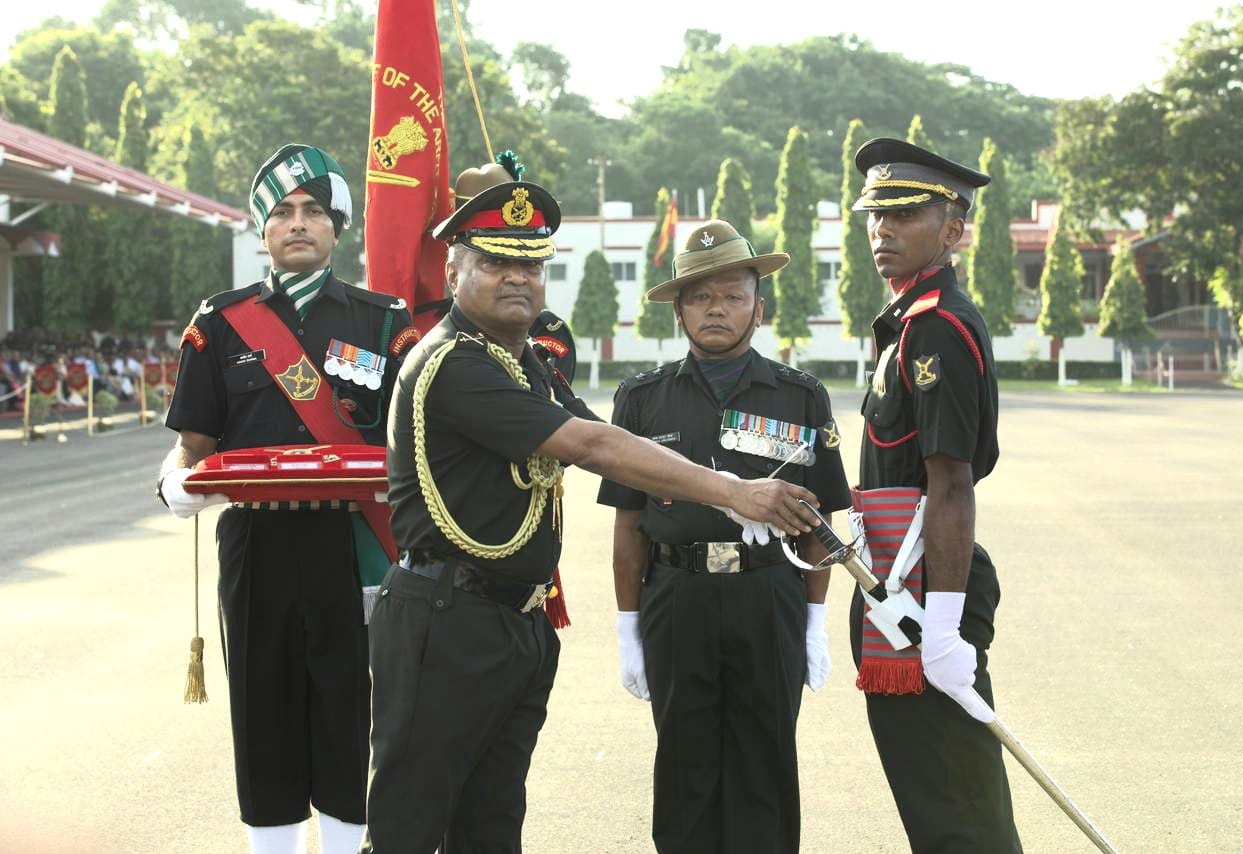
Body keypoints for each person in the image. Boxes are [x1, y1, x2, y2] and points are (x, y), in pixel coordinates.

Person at [363, 156, 820, 854]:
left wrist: (702, 481)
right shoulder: (455, 361)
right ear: (454, 271)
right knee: (408, 829)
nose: (517, 277)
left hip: (509, 621)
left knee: (489, 828)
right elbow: (592, 444)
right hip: (444, 621)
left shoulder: (527, 364)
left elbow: (621, 443)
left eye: (531, 263)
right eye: (494, 262)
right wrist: (735, 492)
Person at [156, 144, 419, 854]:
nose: (298, 223)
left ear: (338, 227)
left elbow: (412, 437)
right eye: (282, 212)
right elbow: (193, 446)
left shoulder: (382, 320)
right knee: (261, 708)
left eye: (313, 211)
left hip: (352, 543)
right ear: (263, 229)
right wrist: (175, 482)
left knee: (347, 709)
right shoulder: (220, 322)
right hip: (257, 543)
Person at [596, 219, 851, 854]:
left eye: (733, 295)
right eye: (701, 297)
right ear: (678, 310)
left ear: (758, 310)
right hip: (675, 596)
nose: (717, 309)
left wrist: (814, 622)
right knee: (684, 765)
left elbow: (820, 524)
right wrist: (628, 627)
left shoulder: (801, 397)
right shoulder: (641, 400)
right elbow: (628, 523)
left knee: (765, 761)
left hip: (768, 596)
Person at [847, 137, 1021, 851]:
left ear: (953, 231)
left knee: (957, 806)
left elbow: (951, 484)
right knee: (932, 794)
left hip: (924, 595)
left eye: (904, 215)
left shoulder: (938, 328)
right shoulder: (907, 323)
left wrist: (944, 629)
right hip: (895, 582)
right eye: (875, 215)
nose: (883, 230)